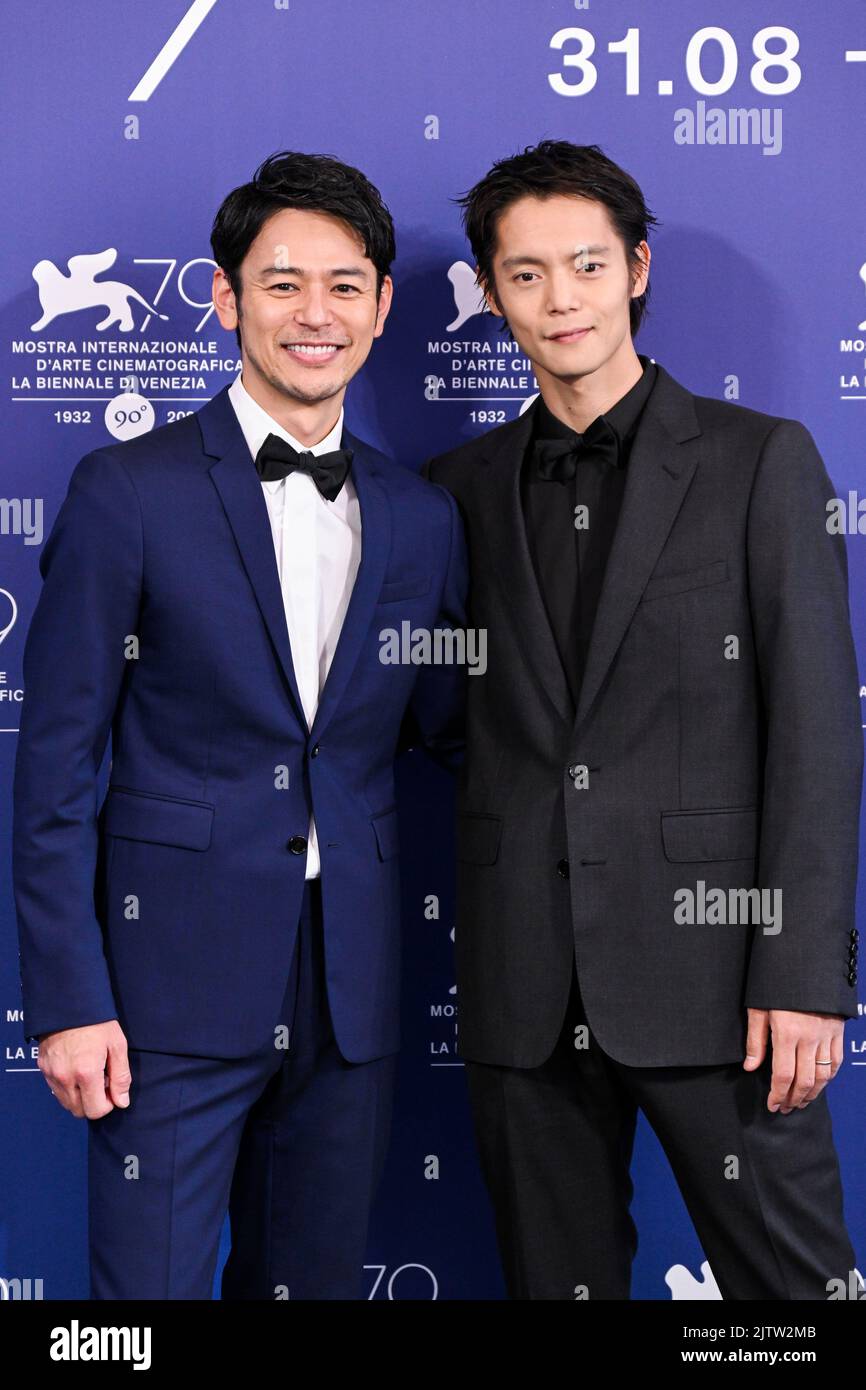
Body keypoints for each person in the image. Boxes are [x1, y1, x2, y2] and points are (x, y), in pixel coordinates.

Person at [13, 150, 467, 1300]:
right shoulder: (126, 491)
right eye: (281, 283)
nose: (314, 314)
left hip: (349, 990)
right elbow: (57, 769)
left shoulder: (420, 517)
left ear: (378, 308)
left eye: (344, 285)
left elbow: (452, 728)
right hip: (162, 992)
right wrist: (69, 1001)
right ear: (225, 299)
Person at [425, 139, 862, 1300]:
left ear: (635, 269)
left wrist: (805, 972)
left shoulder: (757, 461)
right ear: (490, 291)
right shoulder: (453, 488)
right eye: (523, 274)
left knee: (791, 1301)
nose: (557, 298)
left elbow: (817, 733)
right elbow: (438, 713)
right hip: (523, 986)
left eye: (582, 264)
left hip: (722, 984)